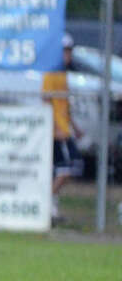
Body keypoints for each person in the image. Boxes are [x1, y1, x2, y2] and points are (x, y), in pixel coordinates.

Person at [43, 33, 83, 226]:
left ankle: (51, 207)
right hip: (57, 132)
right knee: (64, 170)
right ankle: (46, 205)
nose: (68, 55)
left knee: (70, 167)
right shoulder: (51, 72)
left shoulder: (63, 74)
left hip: (65, 129)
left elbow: (64, 105)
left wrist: (75, 126)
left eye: (69, 51)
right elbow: (46, 102)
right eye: (65, 51)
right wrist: (54, 128)